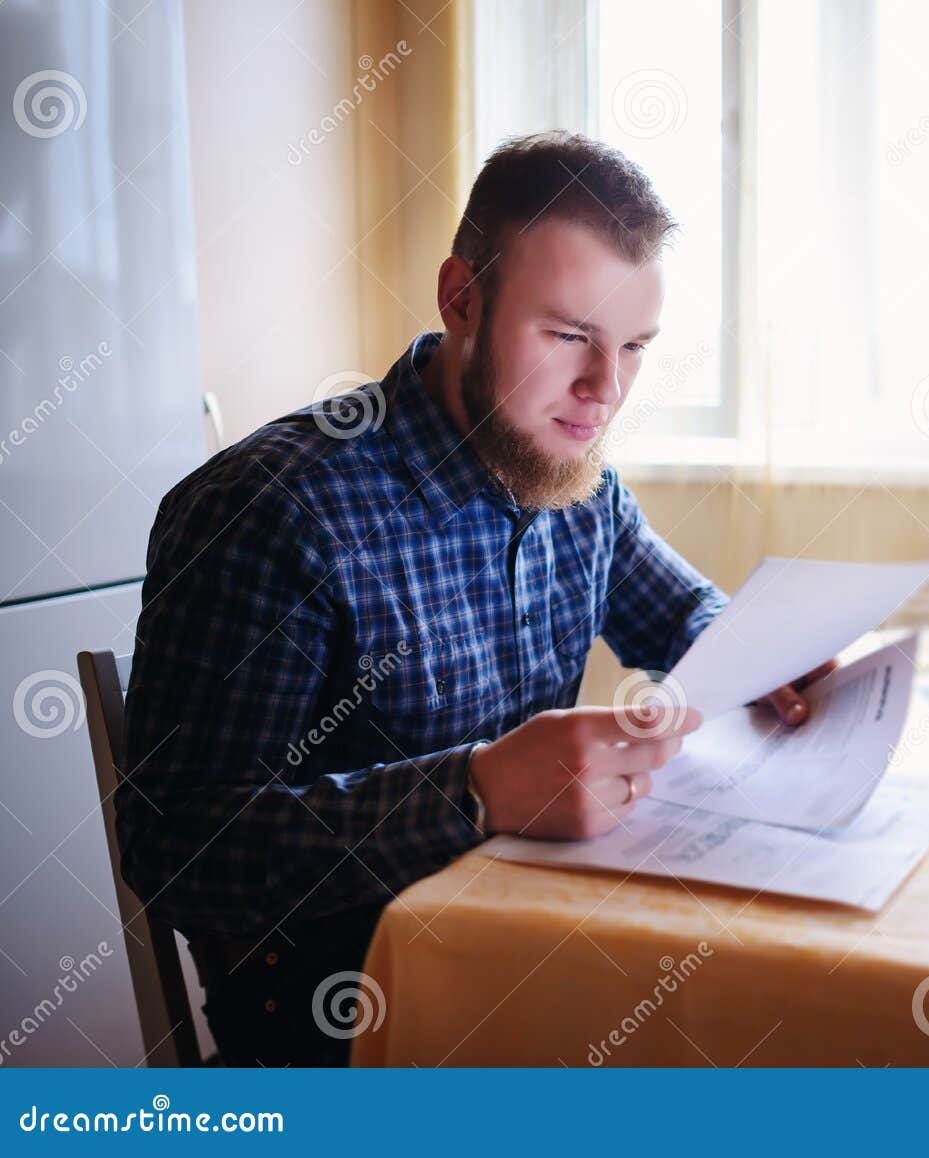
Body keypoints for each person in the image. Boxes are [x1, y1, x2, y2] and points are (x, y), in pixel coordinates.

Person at [119, 132, 828, 1066]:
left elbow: (685, 617)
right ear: (462, 298)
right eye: (568, 336)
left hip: (547, 963)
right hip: (358, 1034)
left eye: (634, 347)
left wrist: (769, 654)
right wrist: (476, 791)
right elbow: (177, 851)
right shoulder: (270, 510)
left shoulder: (578, 482)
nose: (605, 390)